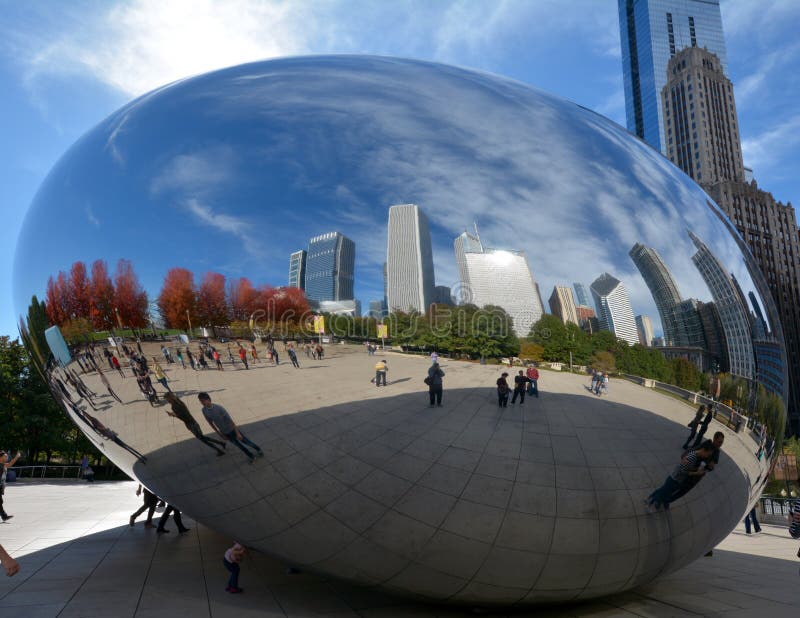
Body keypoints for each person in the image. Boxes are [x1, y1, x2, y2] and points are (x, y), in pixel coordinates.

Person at [646, 443, 715, 510]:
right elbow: (683, 471)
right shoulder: (692, 457)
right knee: (662, 493)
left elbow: (685, 467)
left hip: (675, 478)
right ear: (703, 450)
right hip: (674, 479)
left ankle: (649, 499)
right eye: (707, 454)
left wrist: (696, 469)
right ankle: (649, 505)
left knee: (662, 490)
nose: (707, 456)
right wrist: (696, 473)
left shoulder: (695, 455)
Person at [198, 393, 263, 463]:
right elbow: (210, 423)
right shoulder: (204, 410)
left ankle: (258, 449)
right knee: (239, 446)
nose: (202, 403)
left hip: (233, 430)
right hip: (225, 433)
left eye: (203, 401)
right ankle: (251, 456)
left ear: (208, 399)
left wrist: (237, 433)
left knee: (246, 442)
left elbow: (231, 421)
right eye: (200, 401)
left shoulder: (219, 408)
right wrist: (220, 434)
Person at [667, 432, 725, 503]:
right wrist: (684, 456)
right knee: (676, 487)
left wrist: (711, 467)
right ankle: (664, 498)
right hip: (690, 471)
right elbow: (694, 449)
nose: (720, 444)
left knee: (682, 492)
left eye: (722, 442)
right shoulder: (707, 444)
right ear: (714, 439)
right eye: (719, 442)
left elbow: (711, 467)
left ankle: (668, 501)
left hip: (697, 476)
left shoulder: (717, 452)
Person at [1, 450, 21, 522]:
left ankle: (4, 516)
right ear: (1, 457)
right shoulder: (1, 464)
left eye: (7, 456)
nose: (6, 457)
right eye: (5, 456)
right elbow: (10, 464)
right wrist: (16, 457)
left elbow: (9, 464)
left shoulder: (3, 464)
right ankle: (4, 516)